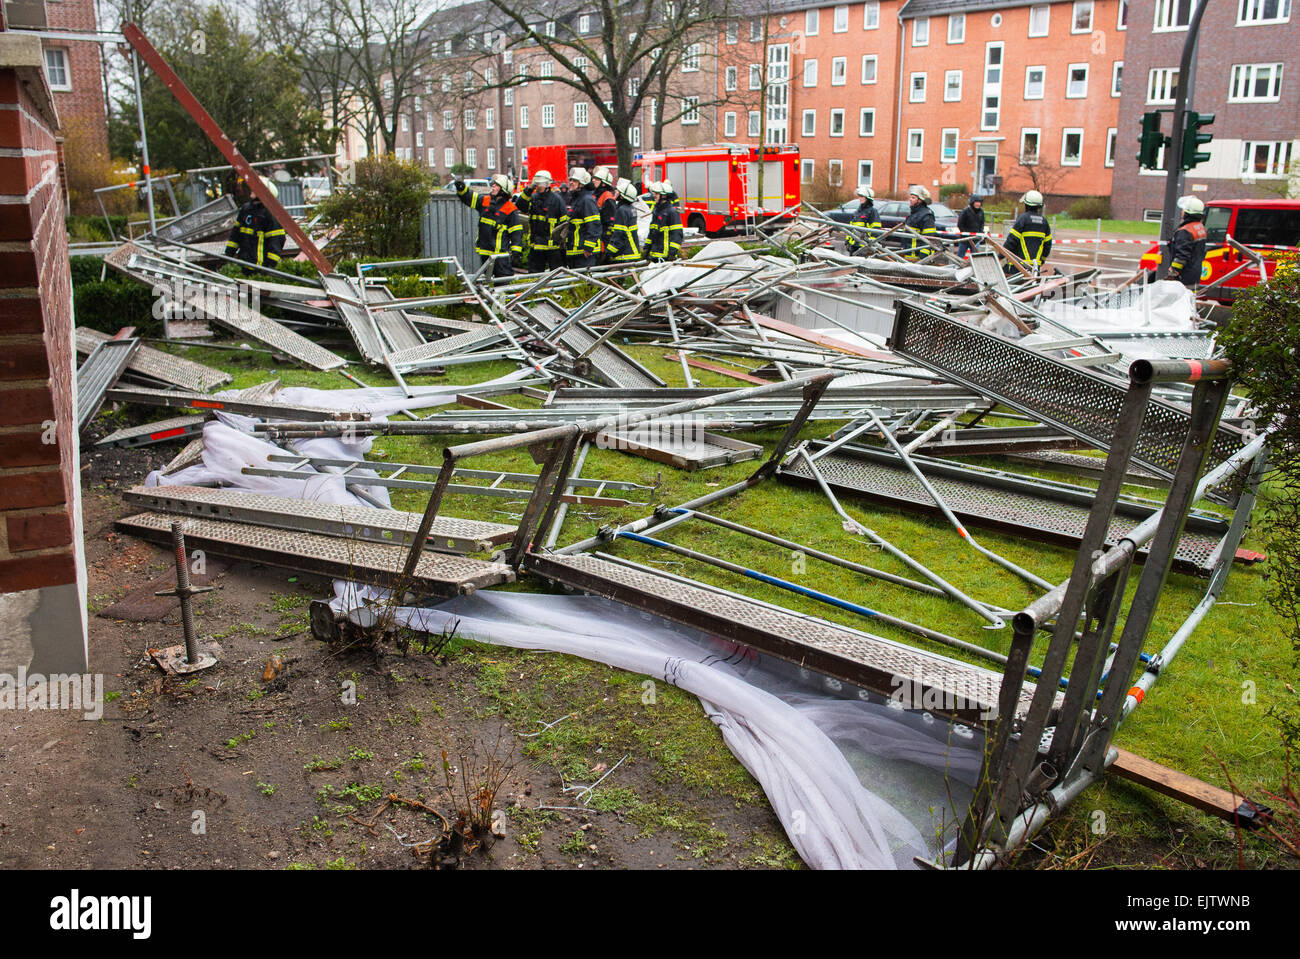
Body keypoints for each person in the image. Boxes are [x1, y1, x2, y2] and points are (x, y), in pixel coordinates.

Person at [455, 173, 524, 277]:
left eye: (496, 185)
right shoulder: (485, 201)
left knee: (502, 283)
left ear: (503, 190)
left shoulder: (510, 209)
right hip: (485, 253)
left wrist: (516, 252)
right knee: (486, 283)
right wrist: (462, 190)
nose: (493, 186)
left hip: (500, 256)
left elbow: (516, 232)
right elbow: (469, 198)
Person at [225, 175, 286, 269]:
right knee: (241, 284)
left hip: (260, 268)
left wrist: (270, 267)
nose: (251, 189)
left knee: (253, 284)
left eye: (255, 187)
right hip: (244, 266)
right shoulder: (246, 209)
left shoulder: (270, 213)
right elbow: (235, 235)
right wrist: (228, 254)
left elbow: (276, 241)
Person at [516, 169, 566, 272]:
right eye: (537, 183)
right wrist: (529, 189)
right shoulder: (533, 198)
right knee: (534, 277)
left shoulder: (557, 200)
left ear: (548, 184)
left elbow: (564, 224)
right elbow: (520, 205)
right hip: (536, 246)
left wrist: (561, 242)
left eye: (540, 184)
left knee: (556, 277)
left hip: (553, 248)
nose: (538, 186)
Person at [563, 167, 603, 268]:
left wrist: (589, 247)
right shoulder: (577, 199)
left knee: (585, 282)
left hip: (584, 253)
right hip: (576, 251)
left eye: (574, 181)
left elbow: (594, 225)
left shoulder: (587, 200)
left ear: (582, 184)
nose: (571, 182)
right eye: (570, 180)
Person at [1166, 195, 1208, 290]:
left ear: (1188, 213)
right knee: (1189, 301)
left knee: (1180, 302)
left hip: (1184, 277)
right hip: (1195, 274)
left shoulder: (1185, 231)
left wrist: (1173, 272)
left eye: (1184, 210)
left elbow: (1182, 256)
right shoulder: (1200, 227)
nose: (1182, 212)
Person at [1007, 189, 1053, 272]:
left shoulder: (1023, 219)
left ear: (1026, 204)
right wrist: (1042, 259)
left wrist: (1000, 256)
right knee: (1034, 285)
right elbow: (1048, 245)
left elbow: (1012, 240)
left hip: (1018, 266)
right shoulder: (1044, 221)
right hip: (1035, 268)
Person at [605, 178, 644, 263]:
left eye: (618, 191)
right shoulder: (631, 209)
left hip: (625, 255)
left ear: (622, 196)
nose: (616, 192)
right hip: (633, 253)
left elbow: (619, 234)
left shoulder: (622, 210)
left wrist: (609, 252)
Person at [646, 180, 683, 262]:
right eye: (654, 193)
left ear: (664, 196)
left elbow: (677, 234)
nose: (654, 196)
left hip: (666, 257)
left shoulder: (672, 212)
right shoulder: (656, 211)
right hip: (654, 255)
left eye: (656, 193)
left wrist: (672, 253)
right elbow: (652, 232)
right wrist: (646, 248)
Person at [901, 184, 937, 260]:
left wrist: (923, 257)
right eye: (910, 197)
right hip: (909, 256)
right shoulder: (913, 214)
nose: (910, 199)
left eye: (913, 198)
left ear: (920, 200)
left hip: (918, 259)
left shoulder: (927, 215)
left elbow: (929, 237)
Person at [590, 165, 618, 259]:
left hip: (603, 238)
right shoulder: (596, 194)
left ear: (603, 183)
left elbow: (609, 221)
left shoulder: (608, 197)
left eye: (597, 179)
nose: (593, 180)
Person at [844, 185, 881, 257]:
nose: (859, 199)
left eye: (862, 197)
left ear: (868, 198)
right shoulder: (857, 212)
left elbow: (876, 230)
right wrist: (847, 242)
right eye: (859, 196)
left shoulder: (872, 211)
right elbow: (850, 228)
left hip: (864, 246)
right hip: (853, 246)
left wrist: (871, 245)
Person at [956, 194, 986, 259]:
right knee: (960, 257)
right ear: (972, 202)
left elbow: (982, 224)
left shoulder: (981, 212)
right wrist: (966, 234)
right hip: (965, 239)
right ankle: (957, 268)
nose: (978, 204)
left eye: (979, 202)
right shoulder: (965, 211)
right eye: (976, 202)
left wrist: (980, 232)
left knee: (976, 258)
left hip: (975, 239)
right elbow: (960, 224)